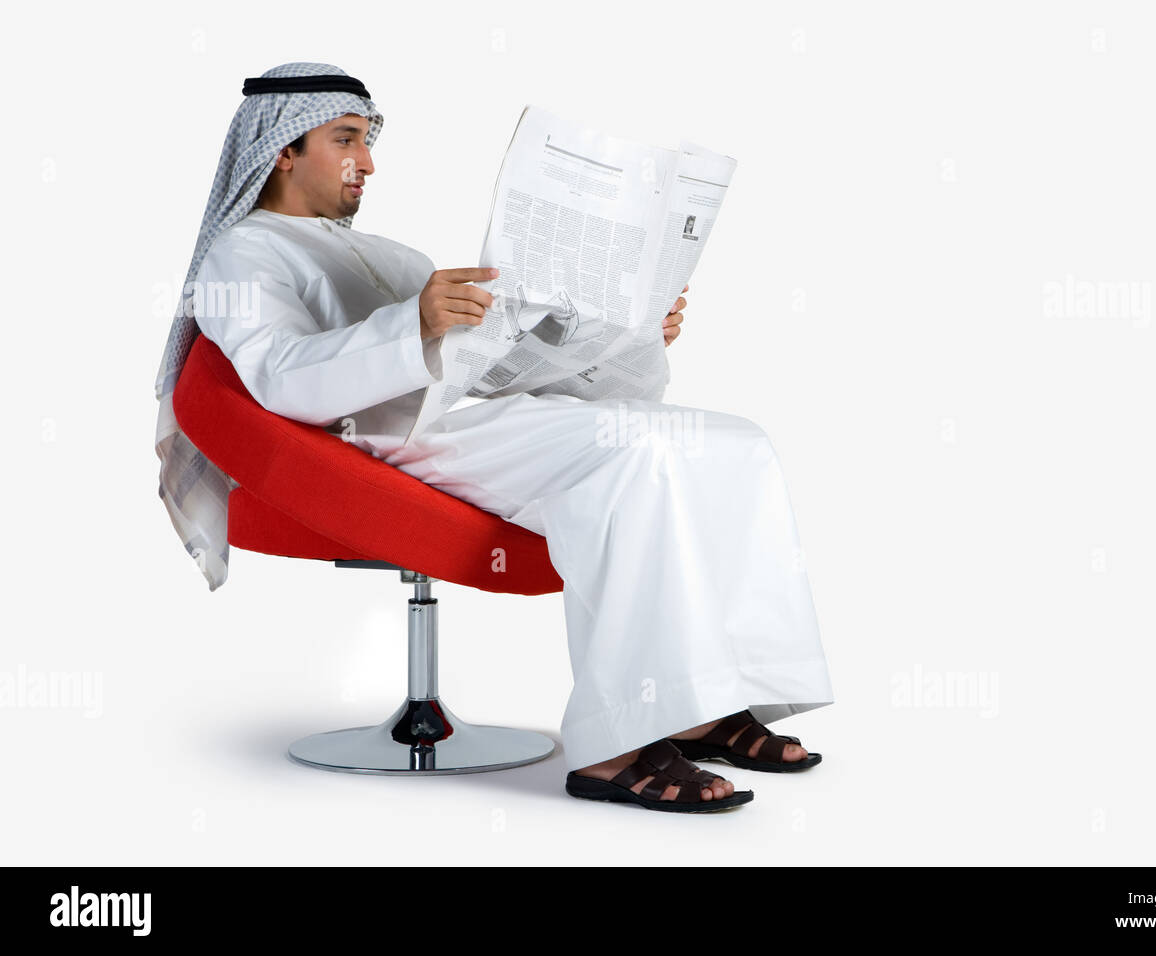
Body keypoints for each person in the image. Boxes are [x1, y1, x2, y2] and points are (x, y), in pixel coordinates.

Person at [153, 63, 834, 812]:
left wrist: (633, 337)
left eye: (369, 141)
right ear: (281, 149)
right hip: (385, 445)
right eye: (346, 140)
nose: (369, 162)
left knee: (734, 441)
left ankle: (713, 700)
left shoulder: (391, 254)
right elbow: (279, 376)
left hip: (472, 421)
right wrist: (411, 323)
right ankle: (619, 747)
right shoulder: (241, 254)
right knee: (637, 458)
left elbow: (498, 374)